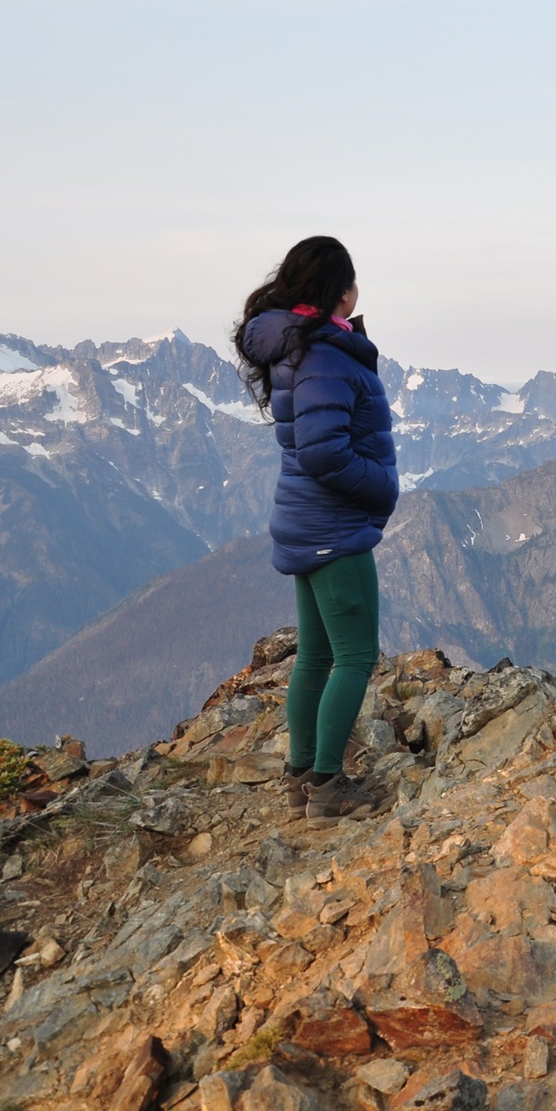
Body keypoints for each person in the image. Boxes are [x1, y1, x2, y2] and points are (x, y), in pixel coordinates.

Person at [234, 236, 399, 822]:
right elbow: (325, 453)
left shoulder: (299, 350)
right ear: (338, 292)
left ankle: (300, 773)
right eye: (352, 283)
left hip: (303, 520)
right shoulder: (327, 357)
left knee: (316, 656)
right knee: (355, 657)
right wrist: (383, 486)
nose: (358, 294)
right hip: (334, 527)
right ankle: (328, 787)